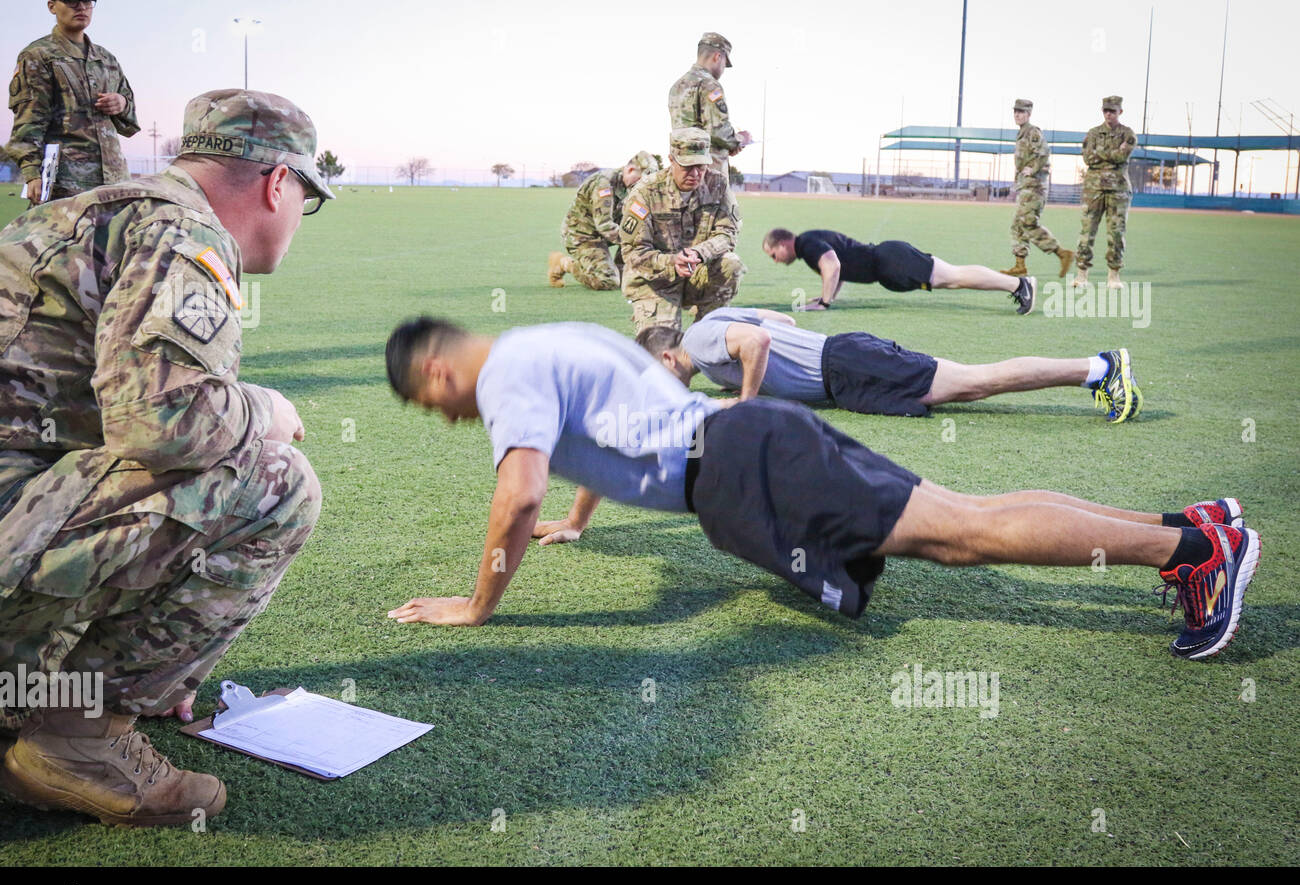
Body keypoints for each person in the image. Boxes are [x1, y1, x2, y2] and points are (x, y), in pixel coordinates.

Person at [382, 316, 1259, 663]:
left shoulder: (503, 379)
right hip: (747, 443)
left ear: (434, 366)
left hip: (743, 466)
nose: (450, 418)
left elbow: (518, 492)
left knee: (961, 533)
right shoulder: (548, 341)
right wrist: (582, 518)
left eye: (433, 404)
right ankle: (1186, 527)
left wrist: (477, 604)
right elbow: (616, 427)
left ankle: (1194, 553)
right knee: (967, 516)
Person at [0, 89, 333, 828]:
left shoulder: (97, 211)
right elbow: (164, 426)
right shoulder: (185, 232)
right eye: (305, 197)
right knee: (275, 484)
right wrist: (264, 408)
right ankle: (75, 737)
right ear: (279, 183)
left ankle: (45, 692)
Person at [636, 305, 1143, 423]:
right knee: (972, 379)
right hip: (847, 363)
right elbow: (784, 320)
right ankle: (1095, 370)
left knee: (974, 384)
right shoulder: (712, 324)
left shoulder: (700, 341)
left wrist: (746, 402)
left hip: (848, 366)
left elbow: (762, 339)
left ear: (666, 356)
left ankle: (1099, 369)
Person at [7, 0, 139, 204]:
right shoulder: (38, 56)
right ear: (52, 6)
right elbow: (30, 121)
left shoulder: (106, 59)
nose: (81, 7)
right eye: (71, 1)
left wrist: (121, 103)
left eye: (87, 1)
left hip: (115, 182)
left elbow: (129, 122)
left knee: (118, 237)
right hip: (66, 186)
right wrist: (32, 174)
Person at [618, 128, 744, 332]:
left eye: (701, 167)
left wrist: (698, 253)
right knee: (664, 352)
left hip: (696, 273)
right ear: (671, 159)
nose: (695, 174)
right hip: (656, 282)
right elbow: (633, 253)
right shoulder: (645, 192)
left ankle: (706, 329)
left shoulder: (718, 185)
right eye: (687, 166)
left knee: (731, 264)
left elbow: (727, 233)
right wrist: (672, 262)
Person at [762, 227, 1037, 315]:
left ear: (784, 243)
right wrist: (824, 297)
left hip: (891, 260)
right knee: (954, 279)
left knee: (955, 277)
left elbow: (832, 266)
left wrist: (824, 303)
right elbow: (839, 270)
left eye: (774, 254)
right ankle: (1017, 285)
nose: (776, 260)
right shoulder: (808, 246)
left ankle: (1019, 285)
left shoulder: (807, 243)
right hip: (890, 264)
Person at [547, 150, 660, 291]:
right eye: (641, 180)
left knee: (629, 274)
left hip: (610, 233)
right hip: (583, 235)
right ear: (630, 170)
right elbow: (604, 226)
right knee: (607, 281)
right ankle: (563, 263)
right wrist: (635, 240)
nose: (642, 185)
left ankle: (620, 268)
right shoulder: (604, 184)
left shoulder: (634, 187)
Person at [1000, 98, 1073, 278]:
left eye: (1021, 112)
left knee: (1028, 223)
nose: (1017, 115)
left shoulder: (1033, 132)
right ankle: (1020, 265)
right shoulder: (1022, 134)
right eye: (1015, 111)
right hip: (1025, 186)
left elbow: (1044, 153)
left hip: (1035, 187)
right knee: (1017, 225)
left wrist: (1032, 169)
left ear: (1029, 114)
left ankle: (1062, 253)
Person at [667, 32, 752, 179]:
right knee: (719, 202)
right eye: (725, 64)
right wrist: (739, 140)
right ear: (717, 57)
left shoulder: (678, 86)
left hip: (682, 168)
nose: (723, 70)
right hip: (707, 168)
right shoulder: (710, 85)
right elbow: (717, 130)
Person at [1074, 95, 1137, 290]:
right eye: (1106, 111)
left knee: (1116, 234)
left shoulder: (1128, 134)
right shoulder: (1093, 133)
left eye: (1113, 111)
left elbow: (1122, 155)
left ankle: (1114, 276)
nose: (1109, 114)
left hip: (1118, 190)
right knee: (1087, 233)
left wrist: (1101, 155)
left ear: (1120, 111)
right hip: (1093, 190)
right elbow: (1088, 158)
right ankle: (1081, 276)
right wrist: (1112, 155)